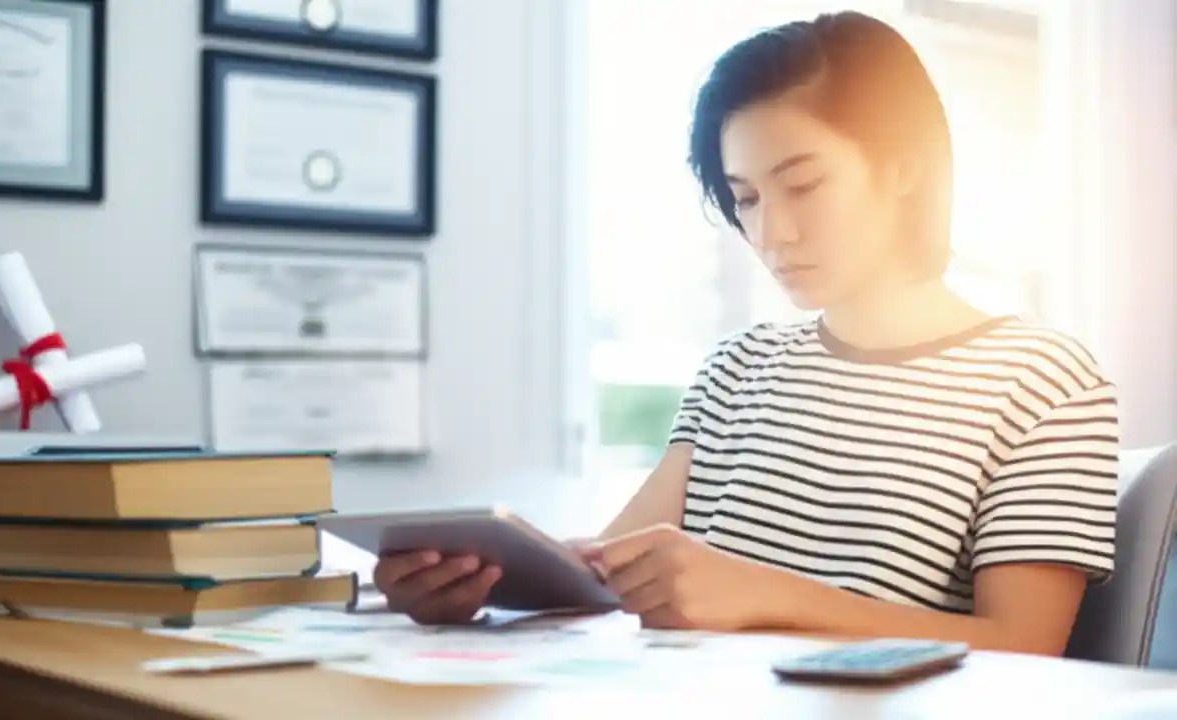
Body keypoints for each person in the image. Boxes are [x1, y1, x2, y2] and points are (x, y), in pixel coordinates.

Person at [373, 11, 1118, 657]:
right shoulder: (741, 368)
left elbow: (1026, 647)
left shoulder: (1043, 381)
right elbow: (603, 578)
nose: (771, 232)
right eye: (747, 198)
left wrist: (758, 595)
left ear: (902, 169)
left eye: (803, 185)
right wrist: (477, 589)